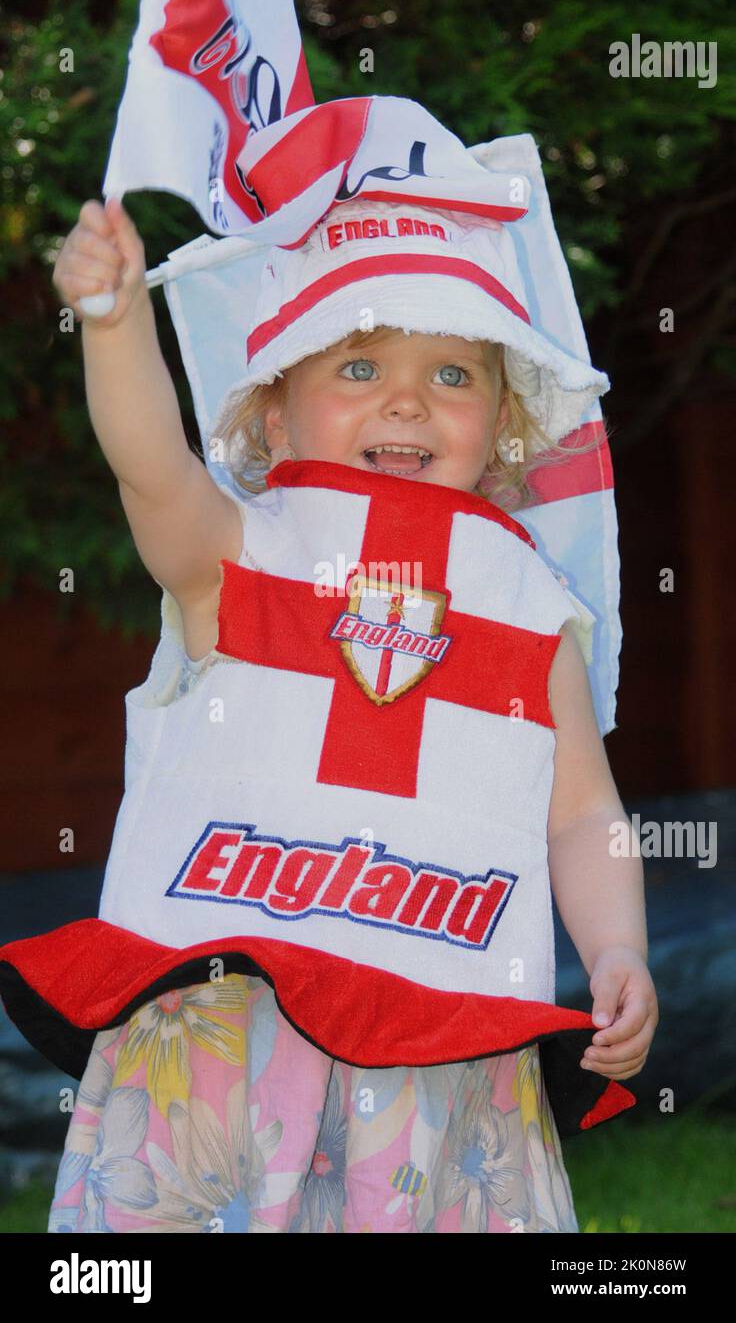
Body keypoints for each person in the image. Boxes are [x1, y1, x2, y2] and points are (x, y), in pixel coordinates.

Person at [9, 181, 657, 1234]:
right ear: (271, 408)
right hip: (225, 1031)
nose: (406, 401)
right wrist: (117, 323)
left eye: (453, 374)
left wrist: (619, 948)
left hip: (445, 1046)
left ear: (501, 427)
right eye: (359, 366)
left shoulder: (534, 603)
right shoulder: (241, 553)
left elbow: (581, 811)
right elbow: (149, 468)